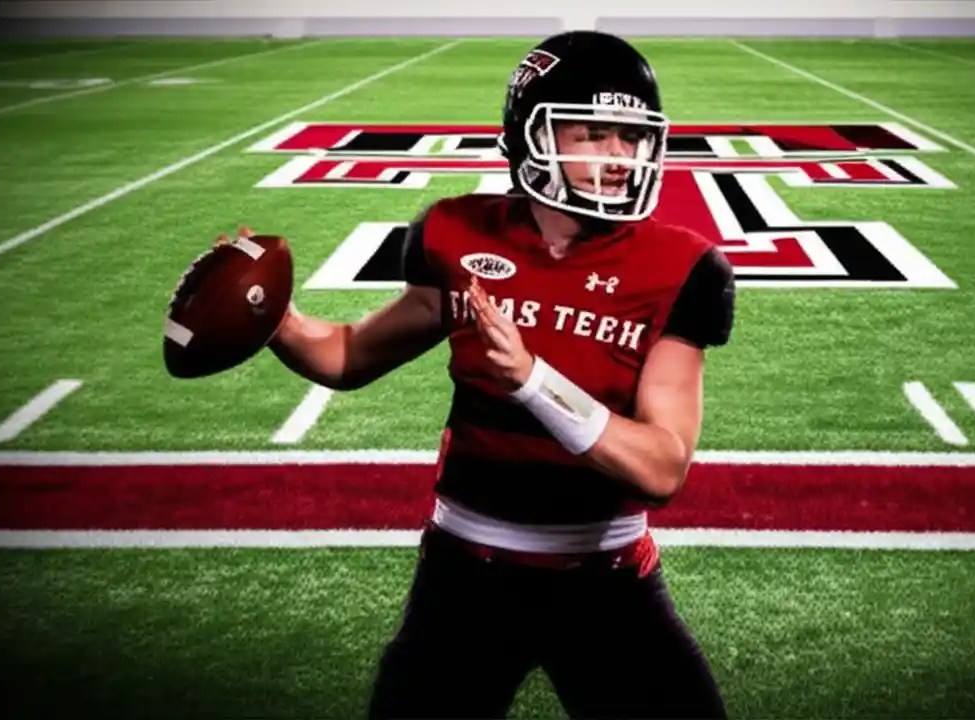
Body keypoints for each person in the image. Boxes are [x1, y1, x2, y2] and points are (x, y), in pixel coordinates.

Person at [255, 30, 735, 719]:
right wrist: (272, 317)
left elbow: (661, 468)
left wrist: (535, 382)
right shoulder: (458, 234)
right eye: (594, 134)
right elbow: (351, 356)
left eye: (630, 136)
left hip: (607, 578)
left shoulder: (681, 268)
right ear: (532, 136)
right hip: (465, 576)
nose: (621, 157)